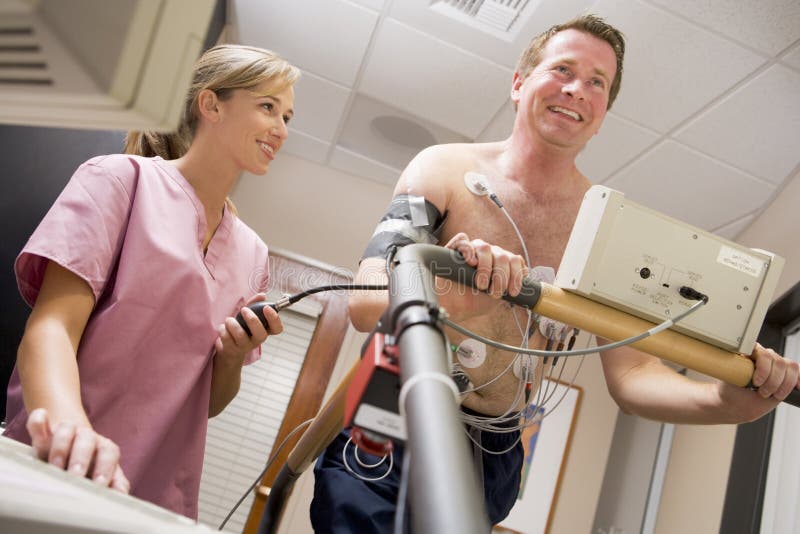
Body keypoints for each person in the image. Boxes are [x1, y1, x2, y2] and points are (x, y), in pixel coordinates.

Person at [310, 14, 800, 532]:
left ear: (604, 111)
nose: (577, 90)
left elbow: (634, 376)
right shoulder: (444, 170)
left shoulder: (607, 228)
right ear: (519, 83)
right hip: (396, 407)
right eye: (562, 69)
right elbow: (367, 302)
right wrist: (452, 297)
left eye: (597, 82)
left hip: (493, 444)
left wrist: (726, 402)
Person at [2, 44, 300, 519]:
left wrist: (233, 356)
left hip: (154, 496)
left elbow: (207, 404)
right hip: (55, 457)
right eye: (268, 107)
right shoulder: (120, 181)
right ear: (211, 105)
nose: (281, 130)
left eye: (287, 116)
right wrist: (69, 430)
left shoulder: (252, 255)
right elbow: (49, 329)